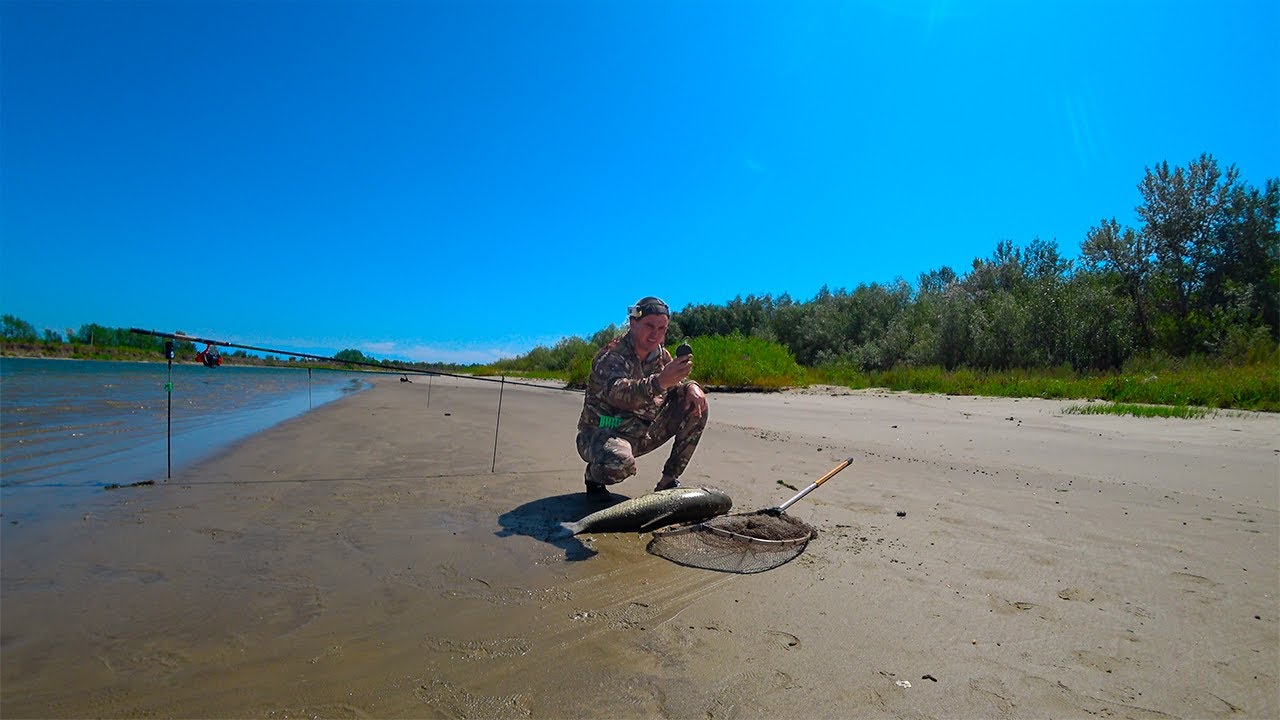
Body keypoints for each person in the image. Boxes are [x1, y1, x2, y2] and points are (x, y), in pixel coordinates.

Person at [576, 296, 708, 495]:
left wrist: (691, 386)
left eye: (662, 328)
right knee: (619, 463)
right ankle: (593, 477)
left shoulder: (662, 356)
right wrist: (659, 381)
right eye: (649, 326)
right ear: (633, 323)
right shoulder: (611, 356)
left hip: (641, 430)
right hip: (602, 430)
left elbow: (673, 388)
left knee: (695, 403)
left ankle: (668, 482)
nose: (655, 334)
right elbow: (618, 394)